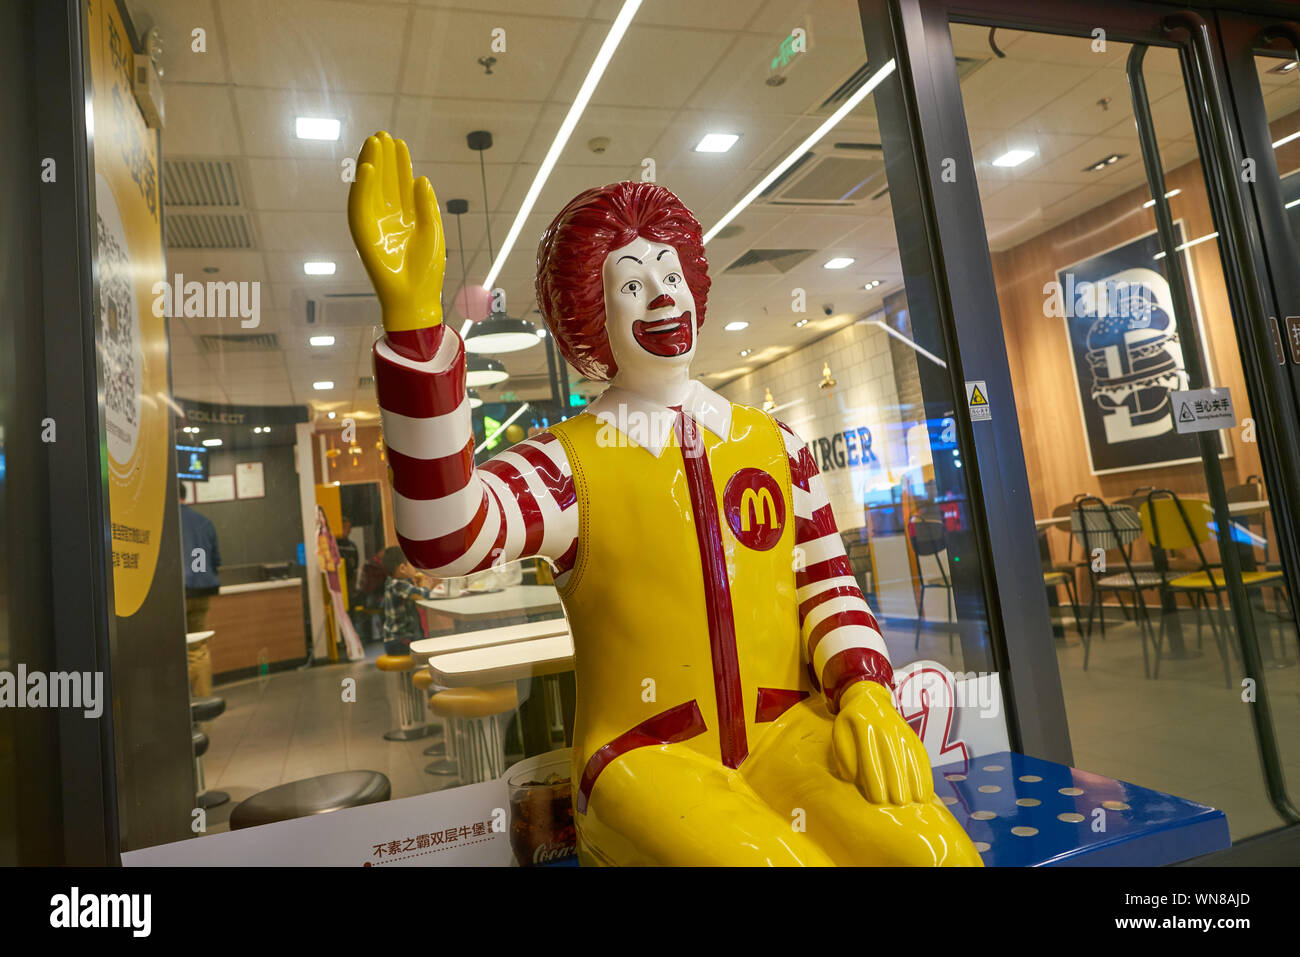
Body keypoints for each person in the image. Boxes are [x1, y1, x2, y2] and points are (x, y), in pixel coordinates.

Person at [350, 131, 979, 866]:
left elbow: (827, 585)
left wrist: (866, 688)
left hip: (789, 732)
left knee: (937, 854)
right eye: (630, 283)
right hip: (643, 758)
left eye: (669, 274)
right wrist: (417, 331)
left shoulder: (774, 444)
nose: (661, 296)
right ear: (593, 316)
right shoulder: (568, 463)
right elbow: (446, 534)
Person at [179, 481, 221, 698]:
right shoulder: (204, 522)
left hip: (175, 595)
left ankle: (180, 707)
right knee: (197, 649)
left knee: (172, 650)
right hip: (202, 592)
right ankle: (204, 705)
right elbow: (214, 561)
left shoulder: (164, 522)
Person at [380, 546, 435, 655]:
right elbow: (424, 594)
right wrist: (426, 587)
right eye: (411, 563)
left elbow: (415, 595)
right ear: (402, 568)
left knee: (426, 641)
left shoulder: (397, 582)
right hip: (398, 642)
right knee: (430, 647)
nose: (415, 567)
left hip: (399, 640)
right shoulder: (397, 585)